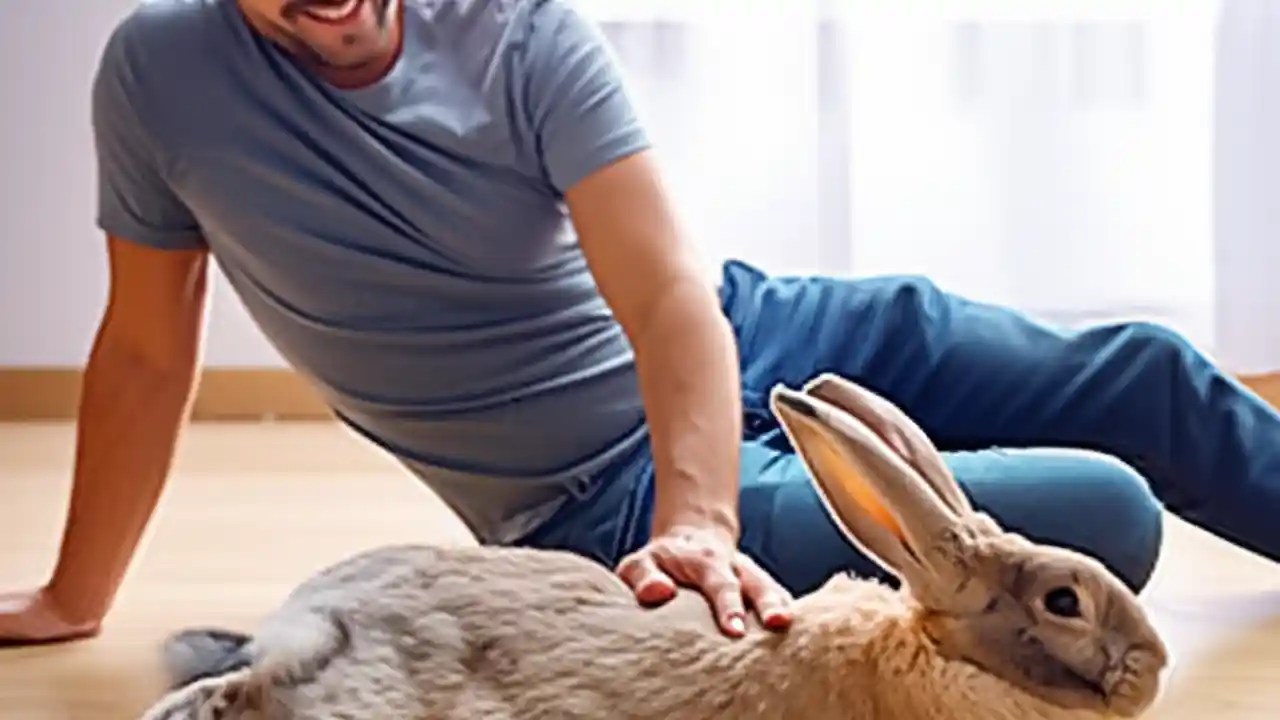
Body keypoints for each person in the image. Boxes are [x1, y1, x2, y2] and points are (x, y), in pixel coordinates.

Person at [3, 0, 1279, 648]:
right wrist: (78, 593)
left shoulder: (515, 28)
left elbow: (669, 293)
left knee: (1144, 373)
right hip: (587, 496)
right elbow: (146, 348)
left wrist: (703, 516)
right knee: (1100, 514)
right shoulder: (159, 78)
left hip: (747, 335)